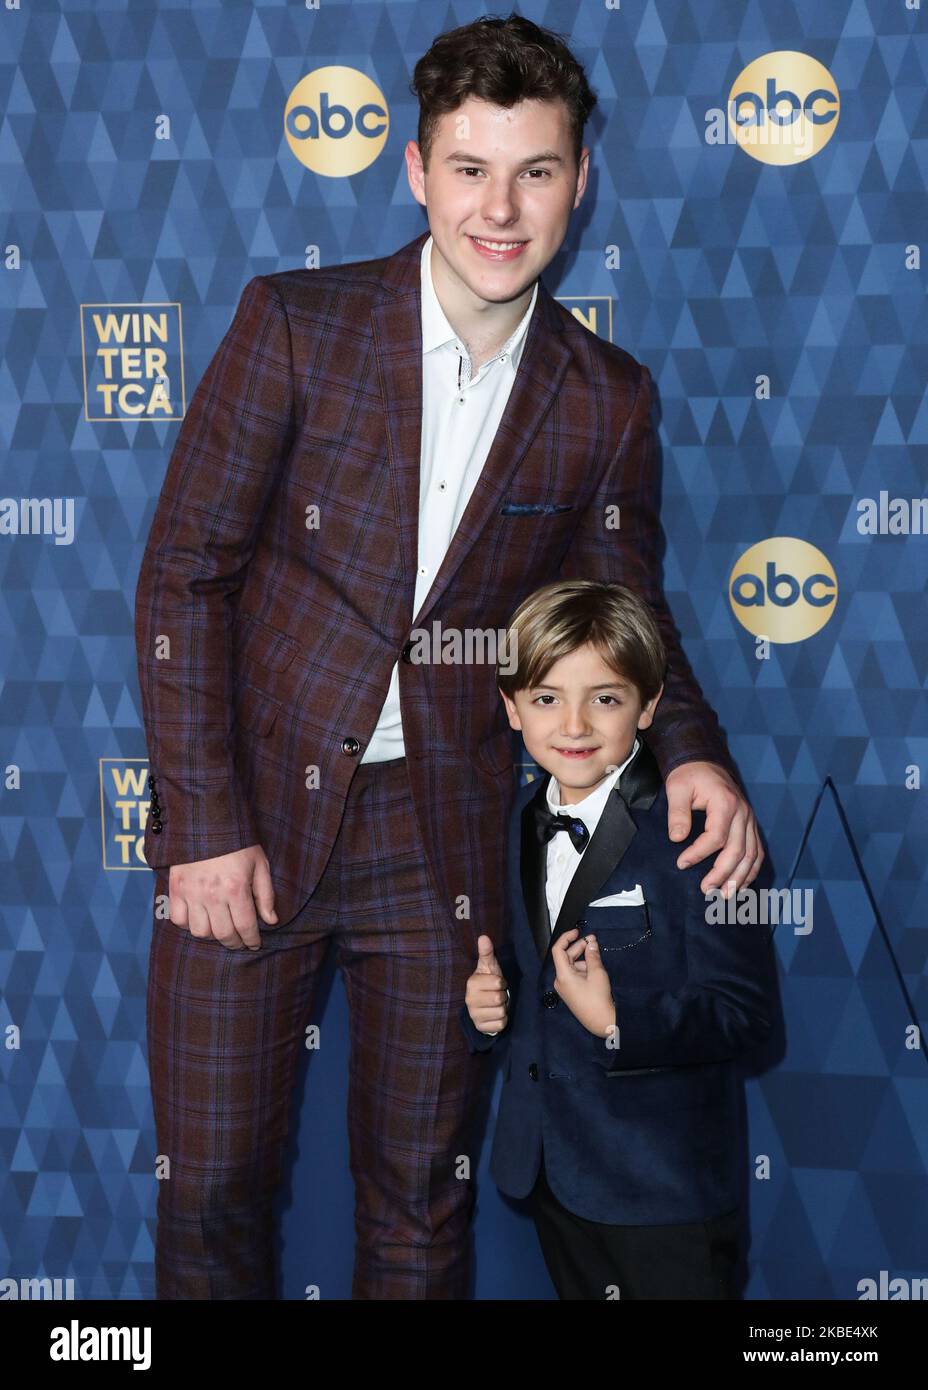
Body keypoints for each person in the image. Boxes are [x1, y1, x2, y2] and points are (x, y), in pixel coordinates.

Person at [135, 13, 764, 1300]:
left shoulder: (605, 397)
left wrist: (693, 751)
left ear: (579, 181)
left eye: (535, 171)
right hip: (247, 819)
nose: (501, 207)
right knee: (206, 1190)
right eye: (470, 169)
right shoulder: (296, 325)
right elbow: (182, 576)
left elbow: (622, 604)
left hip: (447, 843)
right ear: (415, 171)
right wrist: (201, 822)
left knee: (421, 1202)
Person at [462, 579, 778, 1299]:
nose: (573, 724)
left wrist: (615, 1023)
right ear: (511, 709)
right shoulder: (519, 819)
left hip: (663, 1190)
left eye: (605, 698)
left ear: (651, 705)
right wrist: (490, 1004)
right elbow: (533, 972)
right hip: (551, 1174)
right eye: (545, 698)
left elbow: (745, 1013)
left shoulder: (701, 832)